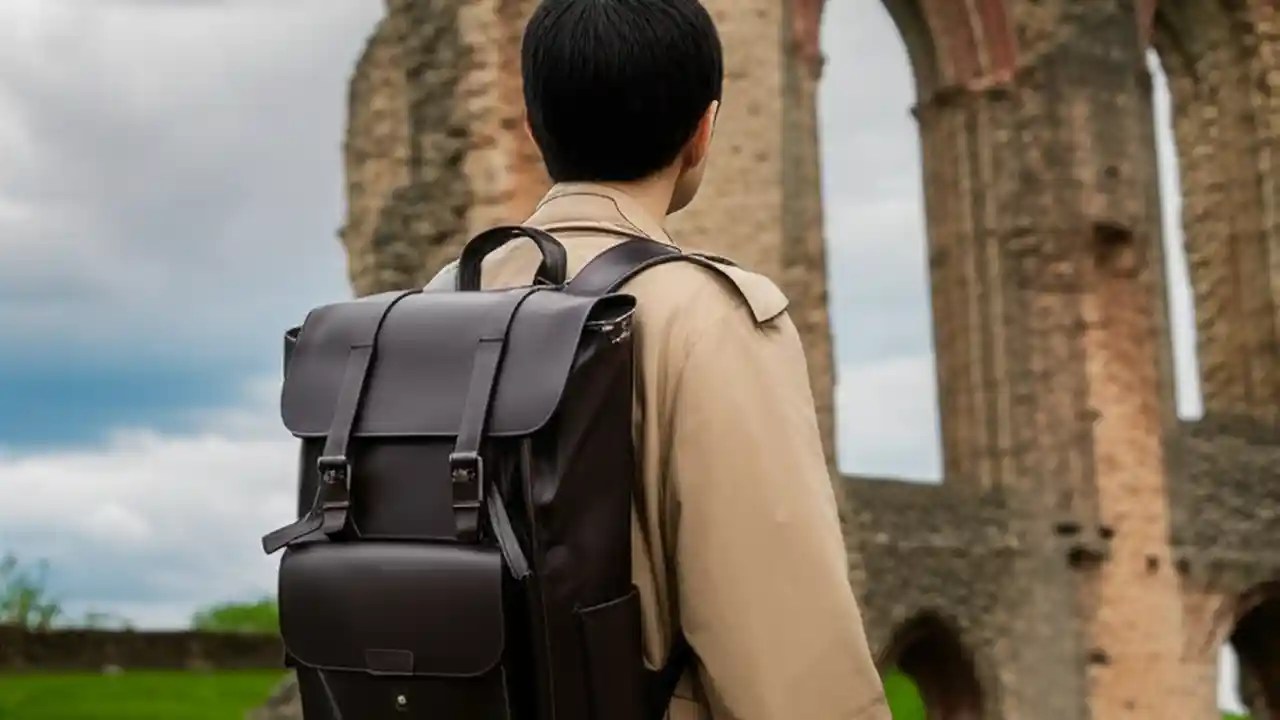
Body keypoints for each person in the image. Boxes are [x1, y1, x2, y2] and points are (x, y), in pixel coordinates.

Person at [431, 1, 889, 717]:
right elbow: (789, 659)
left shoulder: (434, 304)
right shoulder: (709, 315)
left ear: (533, 125)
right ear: (702, 130)